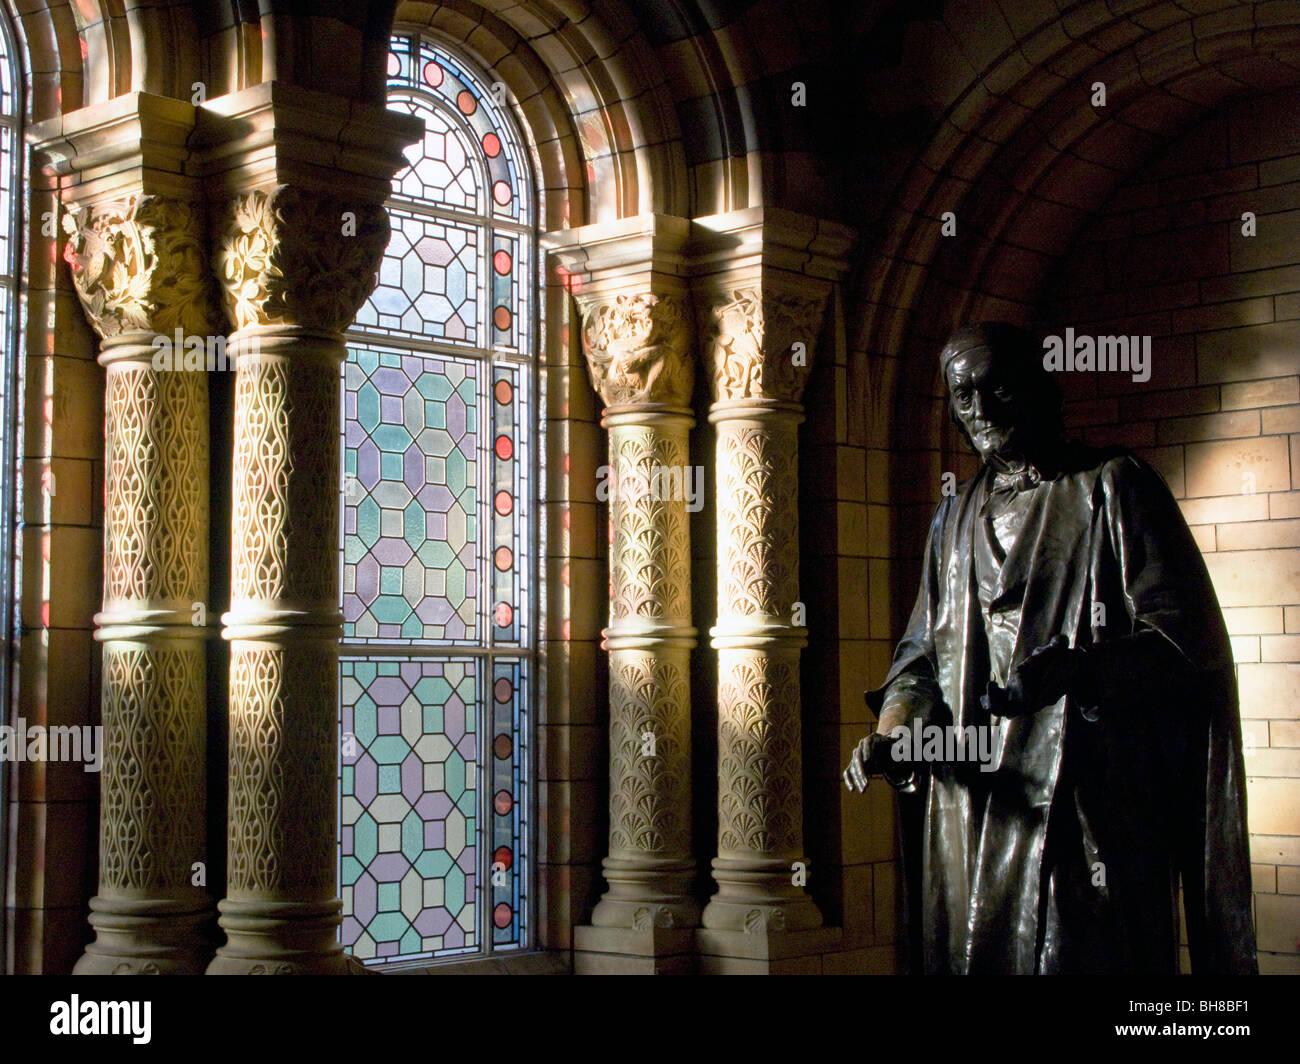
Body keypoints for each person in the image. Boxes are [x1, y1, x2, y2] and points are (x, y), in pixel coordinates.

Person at [844, 322, 1257, 975]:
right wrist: (899, 734)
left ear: (1041, 386)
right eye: (962, 397)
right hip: (982, 807)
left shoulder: (1114, 488)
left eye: (997, 388)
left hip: (1089, 807)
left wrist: (1085, 671)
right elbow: (920, 657)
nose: (979, 412)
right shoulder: (952, 522)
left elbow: (1187, 645)